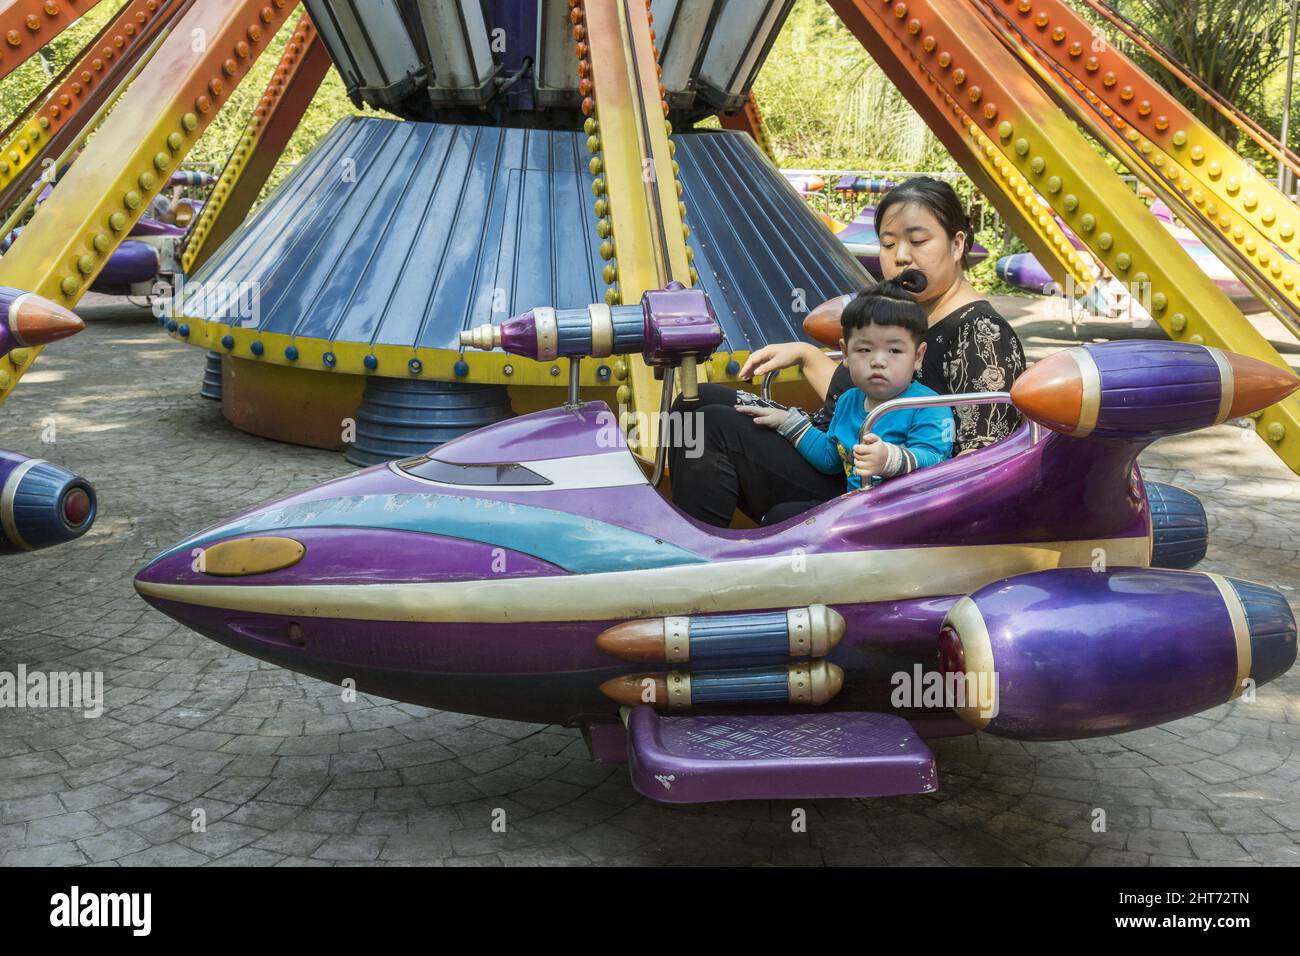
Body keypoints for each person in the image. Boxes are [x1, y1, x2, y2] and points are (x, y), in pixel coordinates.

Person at [666, 175, 1026, 528]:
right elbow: (850, 403)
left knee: (709, 425)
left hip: (877, 489)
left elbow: (984, 460)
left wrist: (891, 461)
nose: (902, 257)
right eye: (888, 244)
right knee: (692, 405)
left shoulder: (981, 333)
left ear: (957, 244)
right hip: (829, 449)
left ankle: (697, 554)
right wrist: (807, 355)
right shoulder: (898, 312)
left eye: (918, 241)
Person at [740, 270, 952, 524]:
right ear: (845, 353)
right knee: (779, 516)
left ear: (917, 356)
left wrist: (889, 459)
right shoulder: (849, 401)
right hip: (855, 508)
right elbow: (831, 458)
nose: (878, 361)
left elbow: (937, 461)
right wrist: (787, 422)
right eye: (864, 349)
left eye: (895, 350)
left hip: (902, 517)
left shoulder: (928, 406)